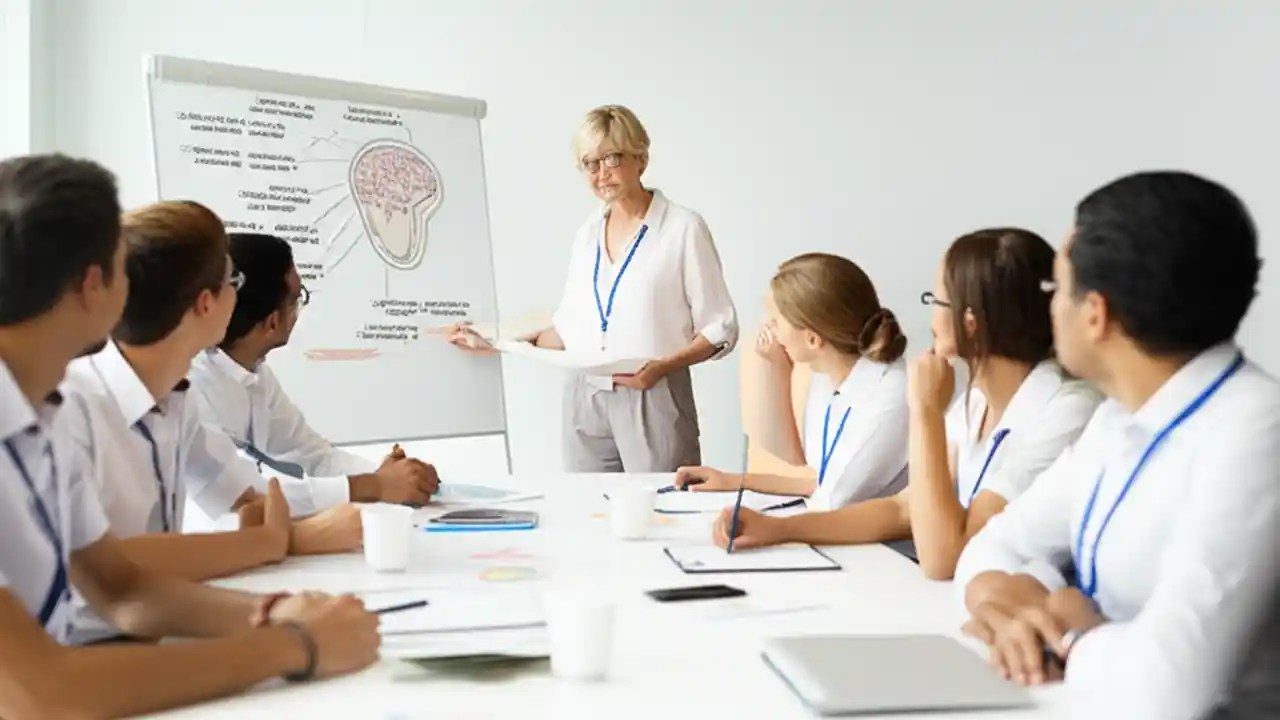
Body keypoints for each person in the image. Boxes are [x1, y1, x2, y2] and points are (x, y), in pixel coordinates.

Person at [0, 154, 378, 718]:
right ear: (92, 286)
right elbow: (38, 692)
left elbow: (122, 588)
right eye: (125, 265)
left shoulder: (42, 414)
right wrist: (293, 645)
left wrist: (276, 611)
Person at [955, 172, 1279, 719]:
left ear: (1095, 313)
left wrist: (1072, 639)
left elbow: (1171, 688)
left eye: (1055, 289)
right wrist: (1012, 600)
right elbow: (994, 544)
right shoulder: (1117, 419)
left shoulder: (1255, 430)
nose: (1049, 307)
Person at [712, 229, 1100, 580]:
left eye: (937, 300)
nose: (929, 313)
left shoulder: (1064, 411)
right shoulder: (976, 401)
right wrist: (777, 529)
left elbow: (945, 558)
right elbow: (902, 509)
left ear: (970, 322)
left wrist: (926, 413)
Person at [60, 201, 367, 643]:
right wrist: (276, 546)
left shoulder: (175, 399)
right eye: (233, 281)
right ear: (206, 303)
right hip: (82, 652)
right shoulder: (70, 407)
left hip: (151, 630)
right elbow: (104, 567)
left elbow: (246, 500)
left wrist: (274, 601)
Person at [450, 105, 738, 472]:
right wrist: (492, 339)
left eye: (612, 158)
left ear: (641, 159)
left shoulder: (682, 228)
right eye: (590, 163)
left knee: (666, 510)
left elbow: (719, 328)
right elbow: (570, 328)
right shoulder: (587, 235)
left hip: (650, 392)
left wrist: (662, 367)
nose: (601, 173)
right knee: (589, 513)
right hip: (584, 394)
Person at [188, 231, 439, 506]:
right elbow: (242, 496)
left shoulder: (257, 378)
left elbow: (315, 457)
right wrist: (374, 485)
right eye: (298, 299)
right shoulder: (189, 386)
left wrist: (391, 476)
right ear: (272, 322)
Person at [673, 253, 909, 510]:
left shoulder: (891, 397)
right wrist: (734, 481)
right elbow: (819, 480)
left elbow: (831, 501)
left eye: (775, 322)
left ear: (812, 339)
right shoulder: (826, 376)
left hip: (882, 547)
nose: (769, 330)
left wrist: (763, 528)